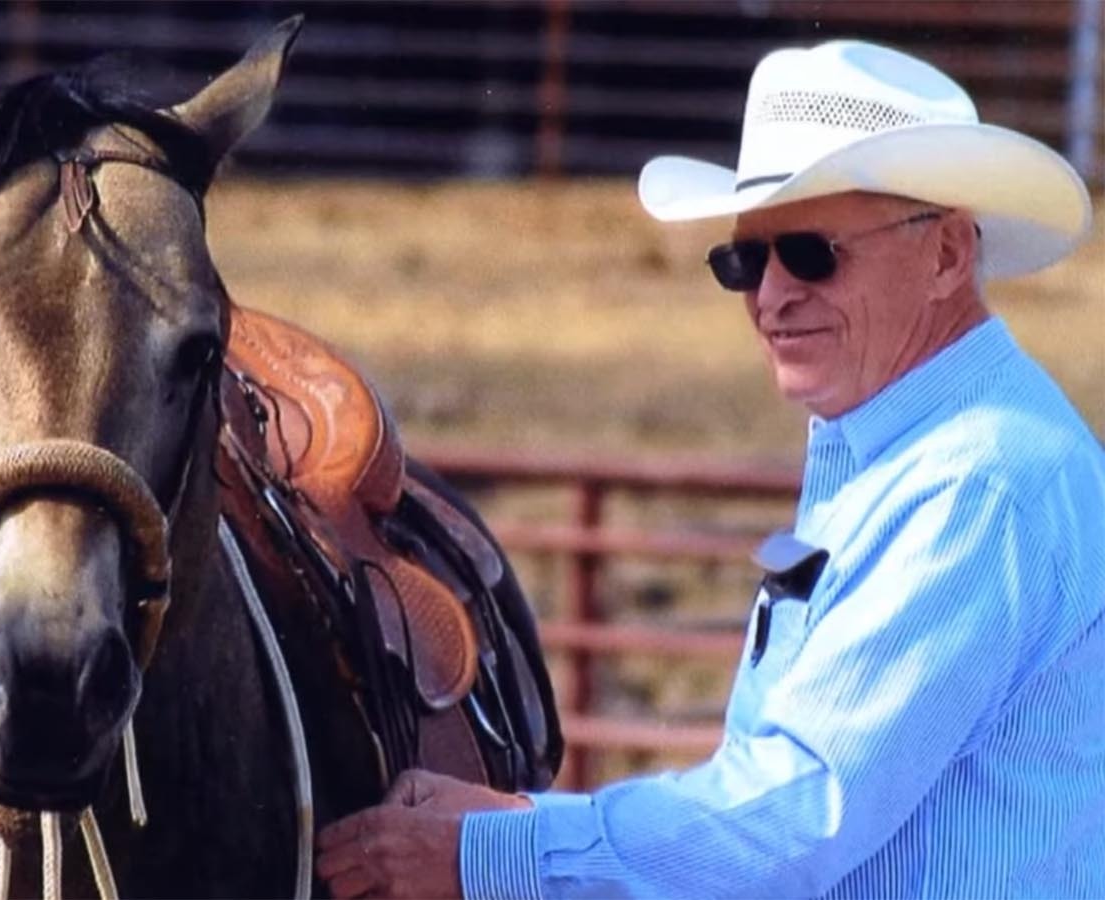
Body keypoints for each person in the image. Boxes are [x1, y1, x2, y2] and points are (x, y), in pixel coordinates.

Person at [315, 39, 1104, 899]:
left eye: (810, 254)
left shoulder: (972, 485)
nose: (771, 296)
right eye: (744, 261)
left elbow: (796, 814)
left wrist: (493, 851)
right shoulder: (935, 457)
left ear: (948, 255)